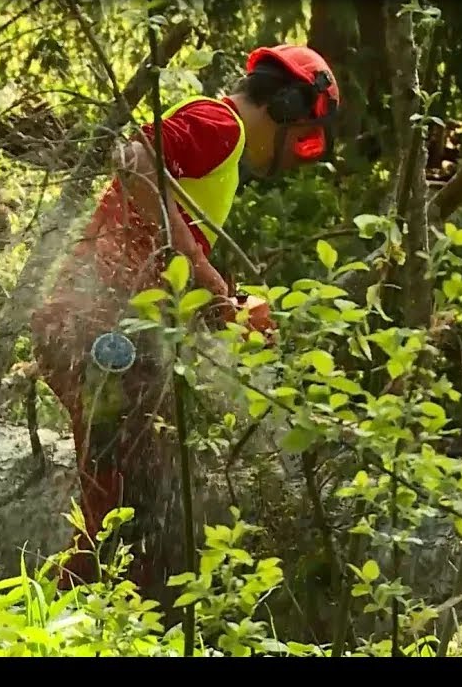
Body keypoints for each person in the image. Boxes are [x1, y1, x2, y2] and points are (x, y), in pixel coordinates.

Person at [28, 44, 340, 602]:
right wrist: (199, 265)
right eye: (304, 142)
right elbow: (132, 158)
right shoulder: (219, 123)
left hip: (116, 330)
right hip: (95, 330)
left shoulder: (218, 152)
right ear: (288, 107)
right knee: (120, 503)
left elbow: (163, 254)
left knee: (139, 495)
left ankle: (116, 616)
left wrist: (221, 305)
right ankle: (68, 619)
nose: (298, 158)